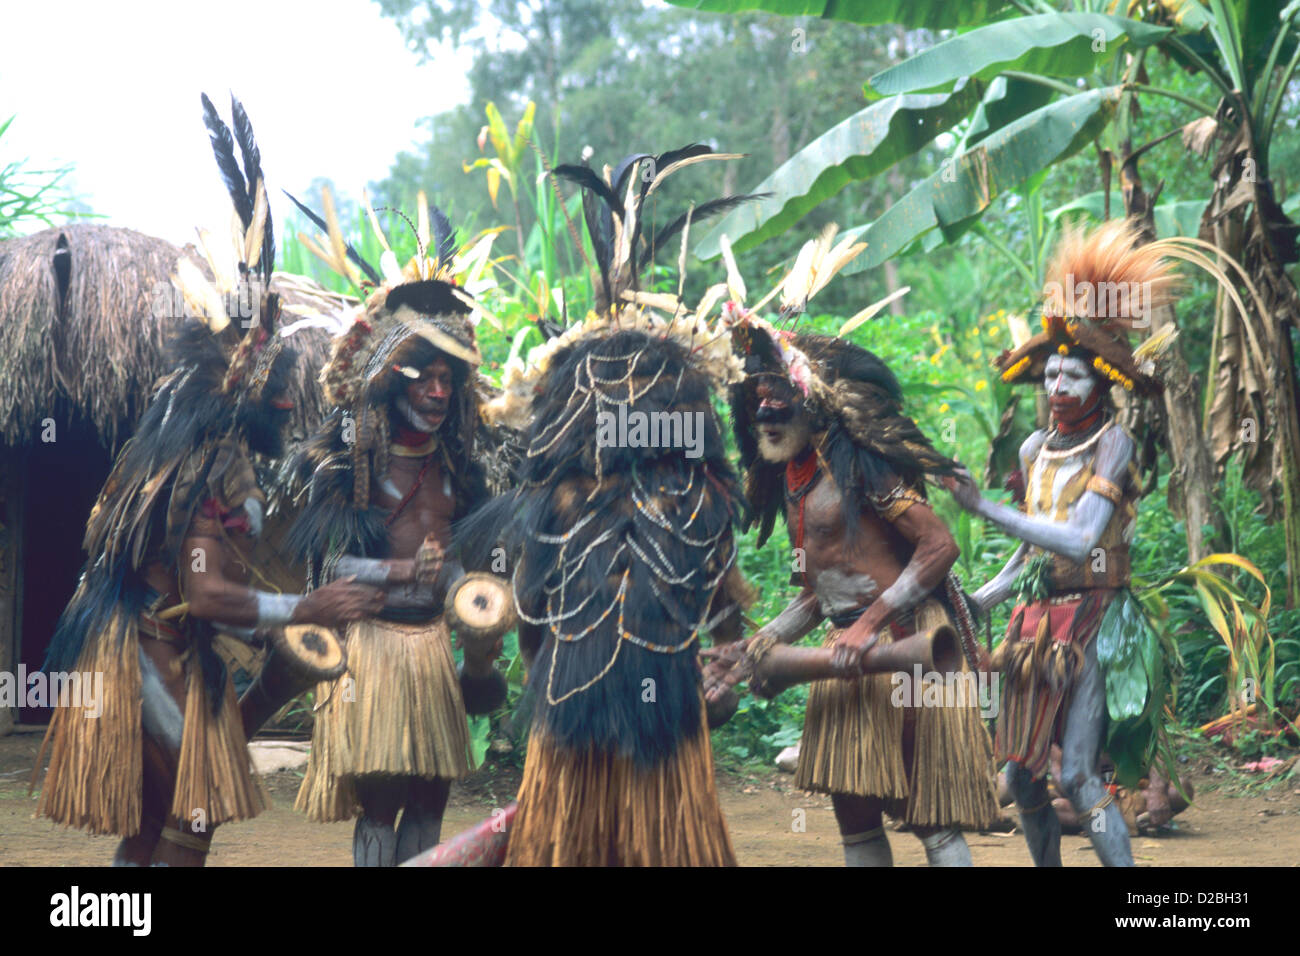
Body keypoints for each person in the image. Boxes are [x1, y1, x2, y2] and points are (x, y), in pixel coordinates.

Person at [33, 94, 382, 866]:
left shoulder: (189, 435)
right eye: (278, 380)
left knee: (151, 825)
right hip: (151, 653)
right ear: (241, 374)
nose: (291, 395)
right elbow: (211, 592)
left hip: (149, 648)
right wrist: (305, 604)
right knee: (188, 824)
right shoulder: (206, 454)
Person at [706, 313, 999, 867]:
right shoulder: (793, 479)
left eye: (778, 404)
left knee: (926, 811)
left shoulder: (861, 466)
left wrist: (870, 622)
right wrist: (753, 647)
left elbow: (939, 546)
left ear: (808, 401)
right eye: (756, 406)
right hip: (846, 656)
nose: (765, 417)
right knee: (854, 812)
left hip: (904, 641)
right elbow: (817, 595)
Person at [942, 218, 1182, 866]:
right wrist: (984, 598)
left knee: (1077, 776)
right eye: (1050, 376)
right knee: (1020, 776)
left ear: (1100, 384)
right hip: (1034, 625)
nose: (1056, 388)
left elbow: (1077, 543)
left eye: (1071, 377)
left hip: (1099, 620)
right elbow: (1032, 550)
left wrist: (984, 507)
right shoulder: (1033, 446)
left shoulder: (1113, 442)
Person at [287, 198, 506, 867]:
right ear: (392, 380)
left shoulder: (461, 471)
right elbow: (331, 572)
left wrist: (476, 598)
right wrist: (401, 573)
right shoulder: (354, 468)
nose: (438, 391)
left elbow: (470, 563)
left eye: (449, 379)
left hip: (435, 651)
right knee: (380, 801)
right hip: (376, 654)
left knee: (433, 800)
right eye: (425, 376)